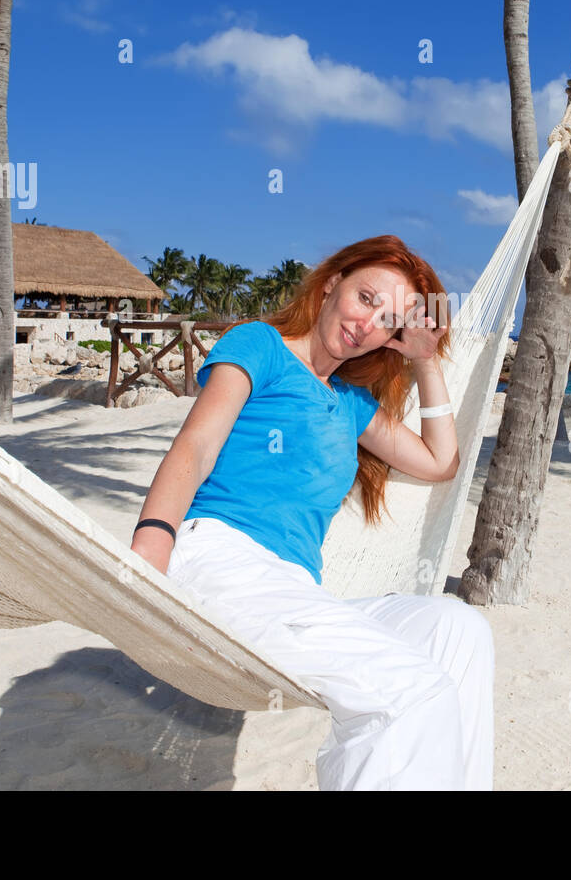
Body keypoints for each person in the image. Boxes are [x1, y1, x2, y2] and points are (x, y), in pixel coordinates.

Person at [130, 235, 494, 790]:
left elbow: (441, 461)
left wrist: (424, 359)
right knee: (406, 690)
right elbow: (196, 446)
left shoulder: (349, 403)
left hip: (295, 591)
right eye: (365, 297)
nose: (367, 322)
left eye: (389, 319)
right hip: (221, 560)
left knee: (457, 628)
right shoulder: (260, 346)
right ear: (330, 284)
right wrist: (151, 545)